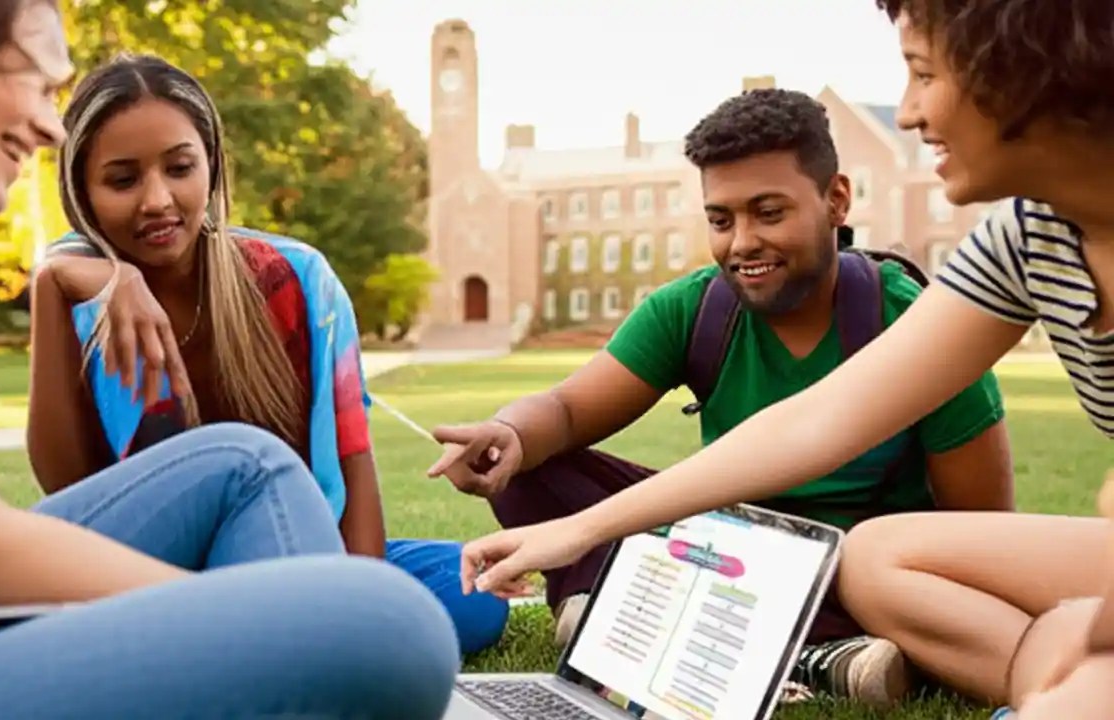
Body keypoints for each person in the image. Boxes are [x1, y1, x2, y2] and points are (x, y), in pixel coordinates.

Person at [455, 0, 1114, 717]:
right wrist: (579, 527)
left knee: (920, 579)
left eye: (924, 73)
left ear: (1026, 67)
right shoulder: (1023, 240)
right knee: (885, 563)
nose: (911, 113)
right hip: (752, 544)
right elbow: (815, 421)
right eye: (721, 218)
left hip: (828, 556)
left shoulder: (892, 297)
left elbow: (987, 519)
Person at [0, 2, 459, 718]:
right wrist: (263, 619)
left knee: (248, 467)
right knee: (382, 626)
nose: (49, 126)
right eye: (38, 85)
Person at [26, 53, 509, 655]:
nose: (157, 200)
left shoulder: (295, 279)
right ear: (83, 191)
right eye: (123, 180)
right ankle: (266, 639)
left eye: (180, 168)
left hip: (290, 554)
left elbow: (353, 462)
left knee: (472, 593)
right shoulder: (79, 297)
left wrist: (360, 603)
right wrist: (51, 288)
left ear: (212, 165)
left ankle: (267, 636)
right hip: (148, 575)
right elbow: (72, 495)